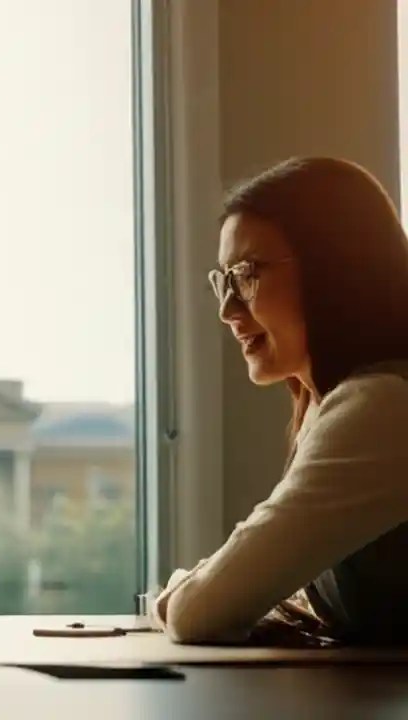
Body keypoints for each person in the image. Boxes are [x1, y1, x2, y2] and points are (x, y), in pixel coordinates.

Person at [151, 157, 408, 645]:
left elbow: (197, 612)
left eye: (246, 275)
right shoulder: (330, 403)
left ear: (335, 269)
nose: (227, 310)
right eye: (221, 280)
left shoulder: (381, 406)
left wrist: (188, 591)